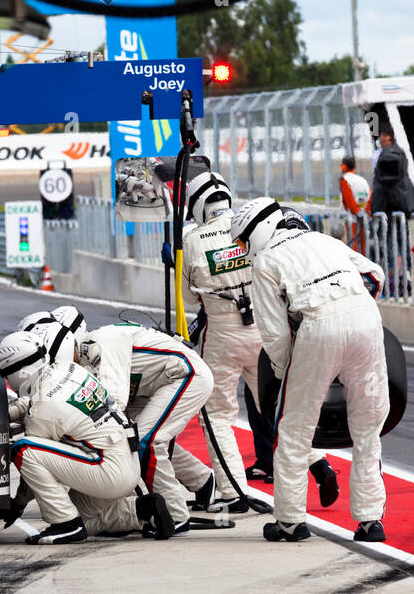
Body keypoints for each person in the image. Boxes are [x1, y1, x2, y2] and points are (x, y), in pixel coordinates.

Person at [232, 197, 389, 544]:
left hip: (317, 326)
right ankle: (370, 522)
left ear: (258, 230)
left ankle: (290, 522)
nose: (243, 249)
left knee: (293, 430)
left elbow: (273, 333)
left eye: (243, 240)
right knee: (367, 429)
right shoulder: (322, 239)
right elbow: (374, 275)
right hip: (366, 317)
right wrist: (350, 312)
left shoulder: (266, 262)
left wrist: (290, 370)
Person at [0, 331, 170, 544]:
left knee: (24, 449)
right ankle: (142, 511)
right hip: (127, 463)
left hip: (109, 471)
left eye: (6, 375)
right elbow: (38, 400)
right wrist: (6, 414)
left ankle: (65, 525)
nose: (6, 380)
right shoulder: (66, 369)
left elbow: (33, 465)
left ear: (19, 374)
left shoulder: (42, 409)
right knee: (84, 522)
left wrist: (18, 503)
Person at [179, 170, 266, 513]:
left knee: (217, 415)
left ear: (198, 205)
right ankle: (318, 464)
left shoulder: (193, 240)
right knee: (282, 408)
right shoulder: (250, 228)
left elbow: (187, 301)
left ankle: (233, 493)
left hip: (221, 332)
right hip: (263, 327)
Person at [77, 320, 214, 532]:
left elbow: (114, 402)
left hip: (185, 375)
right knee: (142, 435)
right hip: (160, 381)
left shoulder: (96, 343)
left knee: (145, 441)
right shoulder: (92, 345)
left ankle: (175, 516)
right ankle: (202, 480)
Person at [368, 128, 414, 219]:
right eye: (381, 141)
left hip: (384, 206)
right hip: (405, 206)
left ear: (390, 140)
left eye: (383, 140)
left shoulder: (383, 157)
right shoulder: (399, 154)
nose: (382, 143)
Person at [338, 156, 371, 252]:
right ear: (355, 167)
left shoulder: (345, 180)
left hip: (351, 217)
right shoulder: (363, 180)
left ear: (343, 167)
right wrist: (366, 212)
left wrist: (356, 212)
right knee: (364, 244)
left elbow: (348, 200)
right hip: (365, 216)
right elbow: (369, 197)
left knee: (352, 245)